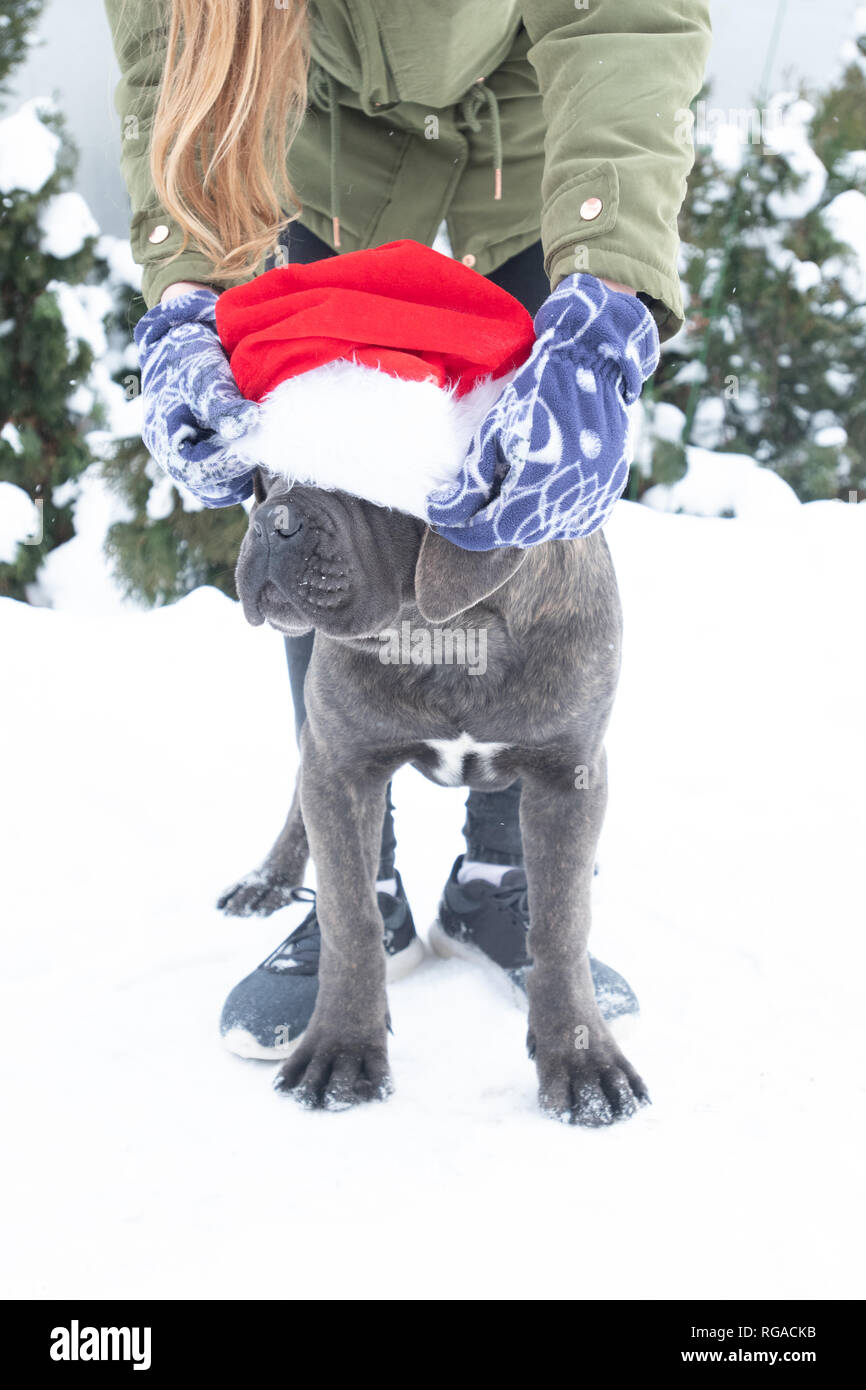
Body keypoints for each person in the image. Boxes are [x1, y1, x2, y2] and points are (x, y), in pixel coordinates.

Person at [105, 0, 712, 1058]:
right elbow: (174, 51)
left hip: (537, 142)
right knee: (324, 501)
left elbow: (626, 16)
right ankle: (356, 895)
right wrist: (189, 289)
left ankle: (500, 880)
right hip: (307, 140)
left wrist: (605, 293)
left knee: (520, 483)